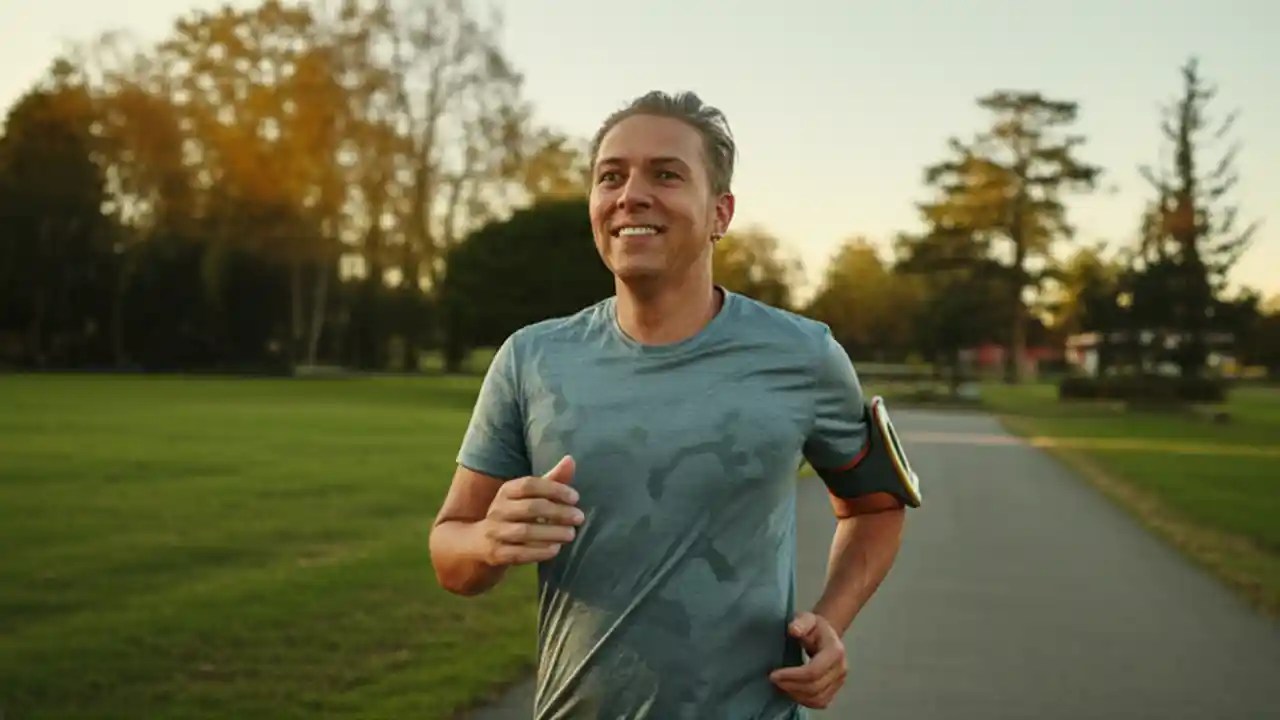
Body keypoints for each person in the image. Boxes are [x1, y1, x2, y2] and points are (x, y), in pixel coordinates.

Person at [429, 90, 921, 718]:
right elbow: (451, 555)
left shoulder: (804, 355)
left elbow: (876, 508)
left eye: (666, 174)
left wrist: (831, 620)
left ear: (720, 212)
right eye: (612, 176)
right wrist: (489, 541)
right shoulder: (531, 359)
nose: (631, 194)